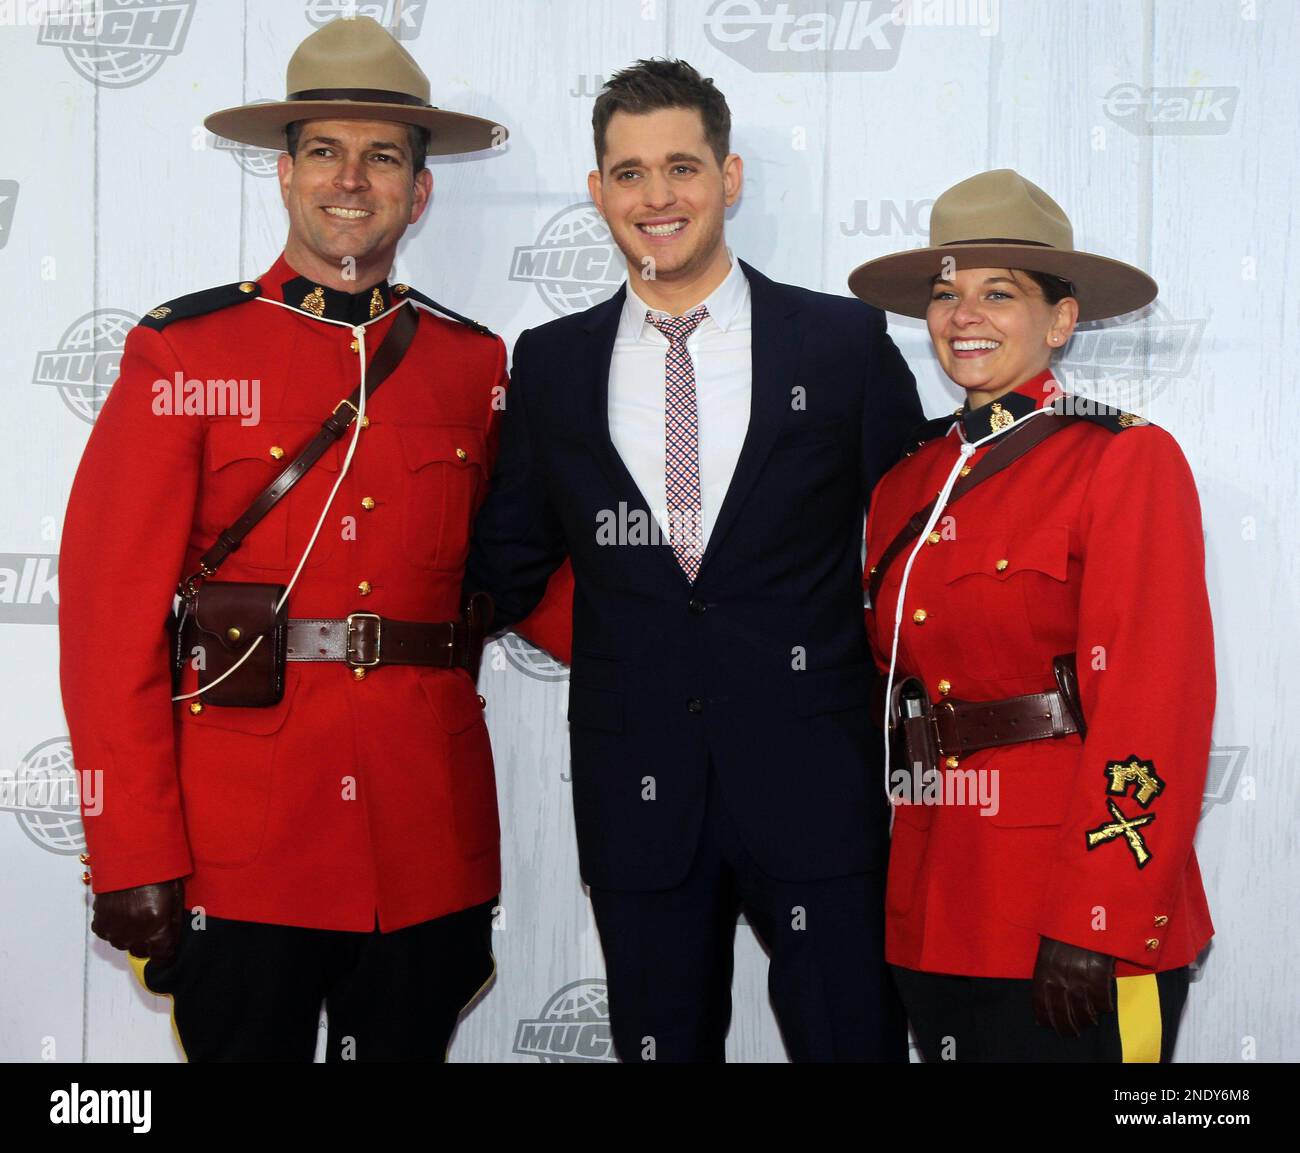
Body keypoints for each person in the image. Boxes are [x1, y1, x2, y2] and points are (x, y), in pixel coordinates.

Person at [58, 15, 557, 1062]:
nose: (352, 178)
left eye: (383, 156)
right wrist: (133, 852)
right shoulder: (183, 352)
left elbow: (522, 576)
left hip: (425, 838)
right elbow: (109, 631)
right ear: (283, 175)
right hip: (245, 848)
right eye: (325, 150)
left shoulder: (473, 367)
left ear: (420, 191)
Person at [464, 58, 923, 1062]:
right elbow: (509, 553)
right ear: (597, 193)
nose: (656, 197)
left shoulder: (839, 343)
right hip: (637, 786)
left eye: (681, 167)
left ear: (729, 176)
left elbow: (915, 543)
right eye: (628, 174)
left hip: (816, 782)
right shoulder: (549, 363)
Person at [848, 168, 1215, 1062]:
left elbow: (1155, 706)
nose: (963, 314)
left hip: (1067, 910)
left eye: (998, 293)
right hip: (935, 901)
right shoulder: (907, 483)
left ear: (1060, 319)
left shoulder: (1123, 461)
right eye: (946, 293)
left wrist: (1099, 913)